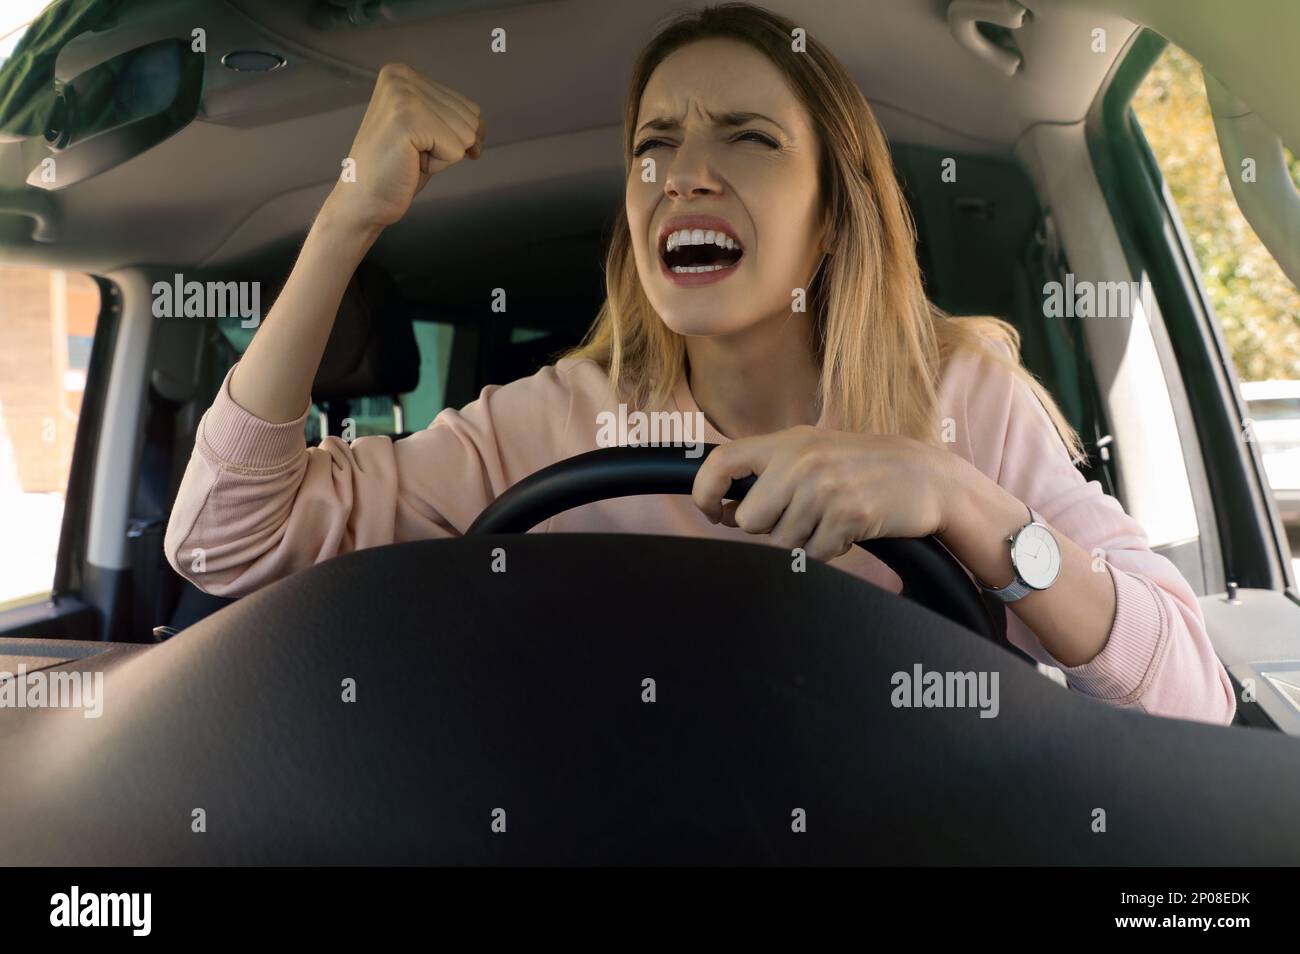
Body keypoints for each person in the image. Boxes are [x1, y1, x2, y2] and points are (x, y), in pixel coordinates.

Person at [164, 3, 1235, 724]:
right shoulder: (543, 422)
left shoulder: (962, 398)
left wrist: (961, 499)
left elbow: (1193, 694)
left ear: (828, 219)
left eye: (747, 140)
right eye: (655, 145)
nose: (683, 175)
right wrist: (347, 216)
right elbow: (220, 539)